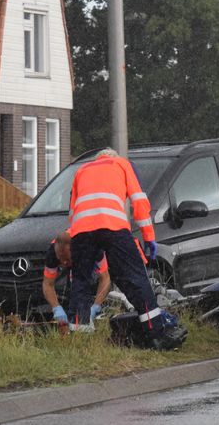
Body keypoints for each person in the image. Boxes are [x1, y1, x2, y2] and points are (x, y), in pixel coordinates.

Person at [67, 148, 181, 348]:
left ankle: (79, 339)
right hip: (114, 227)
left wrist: (85, 242)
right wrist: (149, 237)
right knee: (135, 278)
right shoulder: (121, 164)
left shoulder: (81, 170)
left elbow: (72, 211)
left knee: (81, 282)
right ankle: (156, 334)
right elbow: (139, 202)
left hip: (82, 231)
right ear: (113, 157)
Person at [42, 229, 111, 328]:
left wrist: (96, 306)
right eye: (60, 259)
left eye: (67, 259)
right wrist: (56, 307)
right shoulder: (52, 253)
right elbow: (47, 283)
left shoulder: (93, 248)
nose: (64, 263)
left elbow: (105, 278)